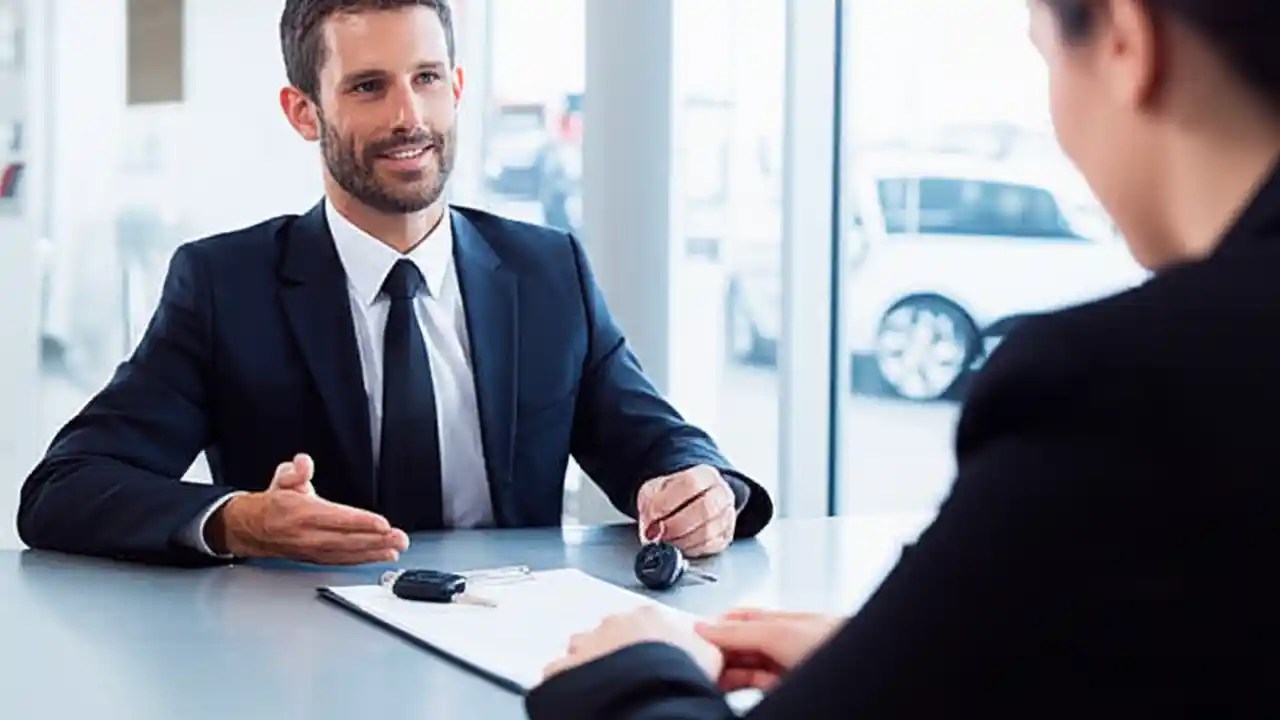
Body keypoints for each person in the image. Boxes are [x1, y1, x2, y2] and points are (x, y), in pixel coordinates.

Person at [527, 0, 1280, 716]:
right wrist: (899, 664)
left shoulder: (1118, 390)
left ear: (1124, 39)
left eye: (1046, 56)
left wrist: (634, 671)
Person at [16, 0, 772, 567]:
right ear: (303, 112)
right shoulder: (224, 287)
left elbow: (663, 443)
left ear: (457, 87)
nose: (409, 116)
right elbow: (65, 487)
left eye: (427, 79)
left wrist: (702, 489)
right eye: (369, 87)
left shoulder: (548, 272)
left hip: (513, 644)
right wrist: (239, 520)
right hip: (302, 659)